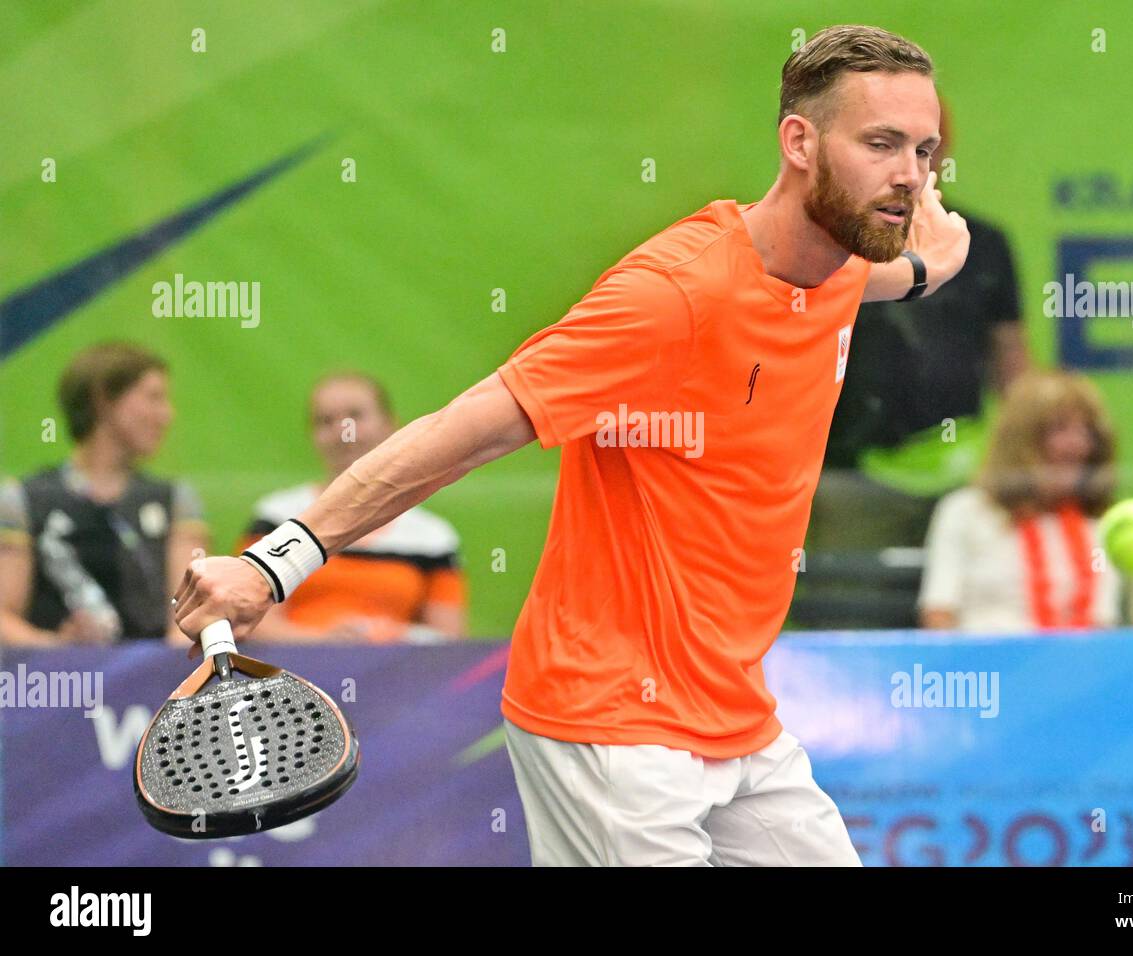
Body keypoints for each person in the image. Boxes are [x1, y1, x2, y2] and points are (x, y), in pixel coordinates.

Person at [171, 24, 970, 866]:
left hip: (737, 720)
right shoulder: (671, 299)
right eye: (881, 144)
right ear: (800, 142)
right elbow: (462, 433)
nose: (910, 175)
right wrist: (274, 565)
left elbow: (868, 277)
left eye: (923, 150)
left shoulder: (839, 263)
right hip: (610, 724)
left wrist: (929, 270)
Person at [817, 99, 1029, 553]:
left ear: (942, 150)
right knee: (846, 613)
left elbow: (1013, 370)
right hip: (849, 478)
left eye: (923, 148)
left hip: (964, 478)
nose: (908, 166)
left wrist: (1022, 466)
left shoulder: (984, 244)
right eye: (886, 146)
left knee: (969, 612)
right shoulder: (830, 245)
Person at [0, 342, 207, 647]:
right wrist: (57, 646)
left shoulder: (176, 500)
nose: (167, 414)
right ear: (103, 399)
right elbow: (4, 616)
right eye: (153, 398)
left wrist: (156, 672)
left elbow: (192, 618)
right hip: (59, 685)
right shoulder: (23, 500)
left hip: (153, 685)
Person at [241, 372, 467, 642]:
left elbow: (449, 644)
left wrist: (395, 637)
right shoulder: (276, 517)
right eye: (326, 421)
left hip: (395, 677)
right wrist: (327, 643)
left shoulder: (433, 536)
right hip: (296, 674)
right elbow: (251, 625)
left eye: (355, 416)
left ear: (391, 425)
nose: (342, 431)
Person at [919, 370, 1121, 632]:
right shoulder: (964, 511)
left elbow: (1102, 627)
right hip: (982, 667)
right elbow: (939, 615)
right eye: (1060, 429)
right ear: (1021, 440)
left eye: (1087, 432)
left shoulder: (1100, 527)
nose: (1078, 445)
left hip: (1073, 669)